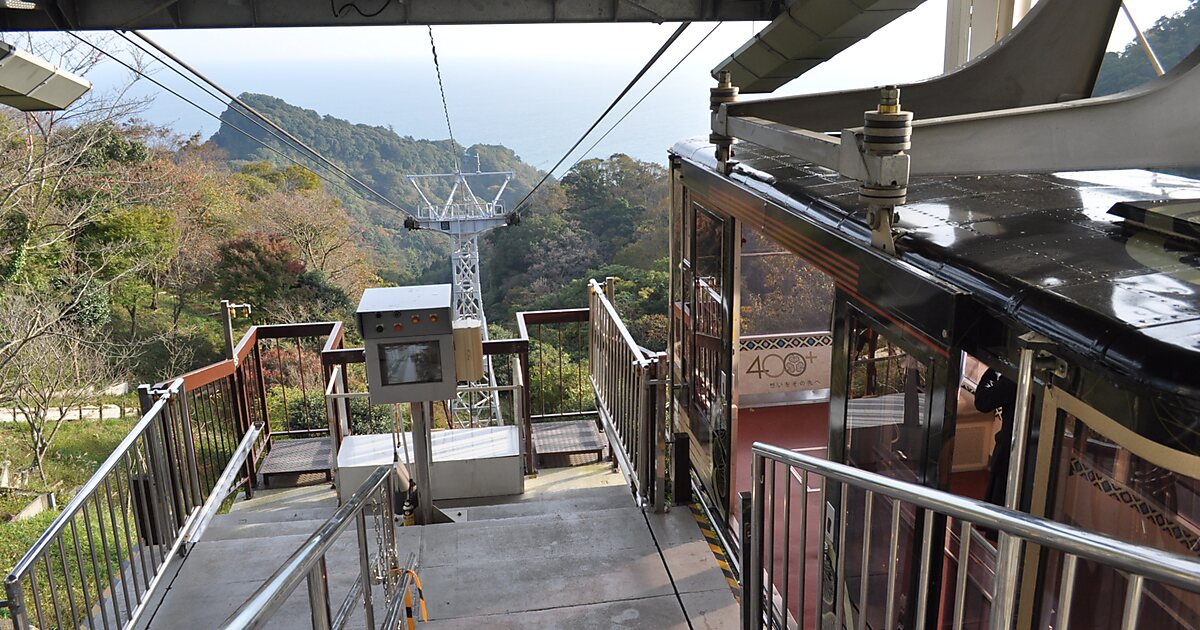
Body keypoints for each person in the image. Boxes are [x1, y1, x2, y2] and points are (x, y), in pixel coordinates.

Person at [975, 368, 1018, 506]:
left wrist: (992, 370)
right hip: (1018, 447)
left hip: (1008, 448)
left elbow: (982, 401)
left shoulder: (1013, 380)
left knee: (999, 494)